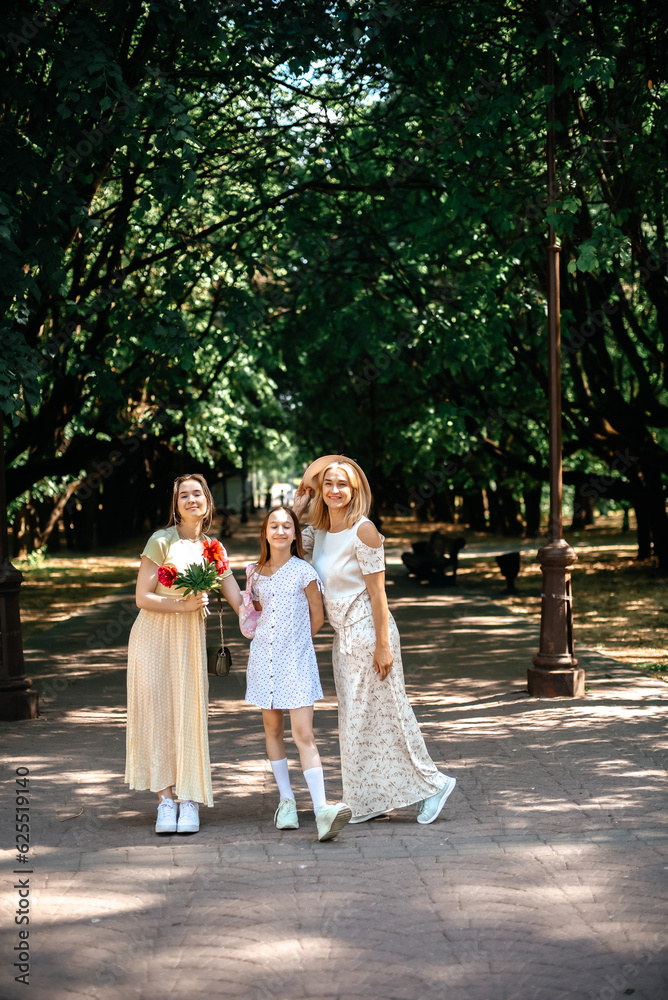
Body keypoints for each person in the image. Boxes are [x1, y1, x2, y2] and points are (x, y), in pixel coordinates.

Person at [293, 455, 456, 825]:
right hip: (343, 639)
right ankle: (368, 798)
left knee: (391, 716)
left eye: (342, 485)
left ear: (355, 491)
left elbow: (379, 594)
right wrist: (299, 505)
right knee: (357, 723)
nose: (335, 490)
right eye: (329, 484)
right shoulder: (317, 533)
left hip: (369, 634)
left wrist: (384, 645)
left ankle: (434, 784)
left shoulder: (363, 530)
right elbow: (287, 551)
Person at [125, 474, 242, 835]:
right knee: (158, 714)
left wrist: (267, 615)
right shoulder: (161, 541)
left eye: (197, 494)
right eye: (183, 495)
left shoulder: (213, 548)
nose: (191, 500)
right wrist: (184, 605)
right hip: (153, 636)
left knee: (190, 714)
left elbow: (239, 599)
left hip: (190, 639)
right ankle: (165, 800)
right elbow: (142, 597)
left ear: (207, 501)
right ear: (176, 505)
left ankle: (189, 798)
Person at [243, 505, 352, 842]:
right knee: (272, 729)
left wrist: (295, 644)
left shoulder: (304, 571)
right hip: (263, 661)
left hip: (296, 662)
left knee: (304, 733)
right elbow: (259, 612)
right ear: (265, 532)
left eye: (286, 525)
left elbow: (317, 618)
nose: (279, 530)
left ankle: (321, 810)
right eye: (273, 525)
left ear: (293, 534)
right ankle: (286, 801)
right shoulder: (254, 573)